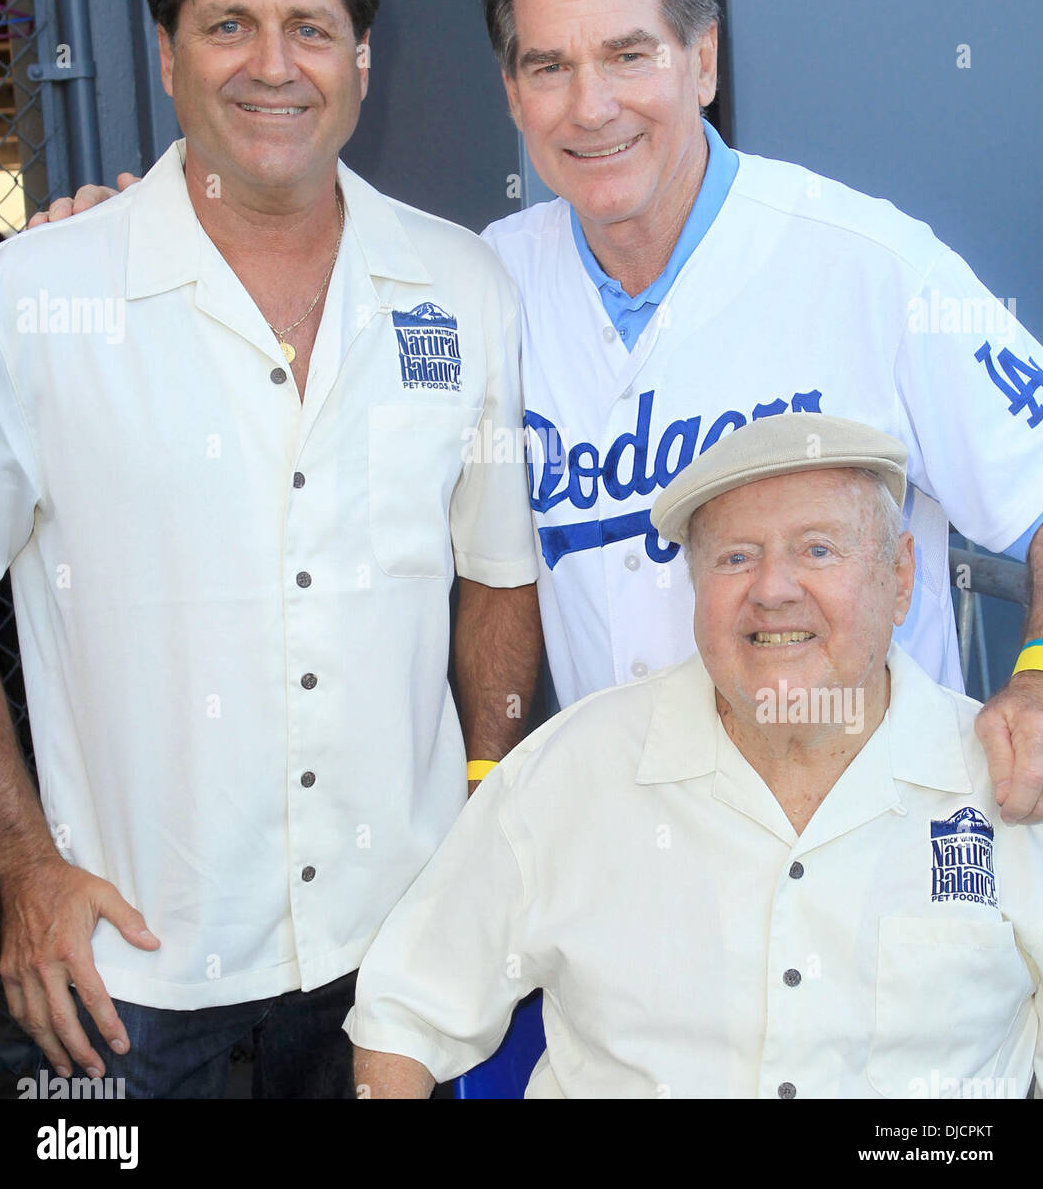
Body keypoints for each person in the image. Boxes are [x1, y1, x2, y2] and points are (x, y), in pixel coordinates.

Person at [35, 0, 1043, 822]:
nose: (590, 106)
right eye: (548, 66)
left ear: (703, 61)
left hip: (869, 832)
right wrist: (125, 230)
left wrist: (1035, 674)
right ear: (513, 96)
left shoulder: (872, 266)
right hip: (626, 853)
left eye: (628, 55)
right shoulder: (480, 281)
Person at [0, 0, 540, 1098]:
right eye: (229, 23)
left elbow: (498, 574)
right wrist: (22, 864)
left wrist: (482, 810)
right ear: (169, 50)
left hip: (390, 959)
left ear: (360, 58)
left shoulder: (461, 287)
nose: (272, 65)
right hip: (121, 980)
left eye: (311, 29)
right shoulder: (30, 303)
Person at [347, 413, 1043, 1099]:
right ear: (694, 589)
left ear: (899, 578)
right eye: (736, 558)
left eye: (817, 551)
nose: (772, 589)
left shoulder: (1009, 776)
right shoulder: (576, 769)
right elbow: (406, 1010)